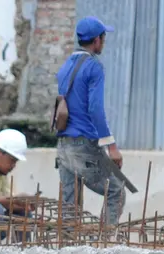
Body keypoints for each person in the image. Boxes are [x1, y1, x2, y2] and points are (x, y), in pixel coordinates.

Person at [55, 16, 125, 225]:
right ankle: (104, 246)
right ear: (96, 40)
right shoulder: (94, 66)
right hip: (83, 145)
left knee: (70, 208)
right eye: (103, 38)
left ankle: (67, 251)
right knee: (116, 191)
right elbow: (95, 109)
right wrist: (111, 146)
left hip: (63, 145)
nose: (104, 42)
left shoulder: (66, 66)